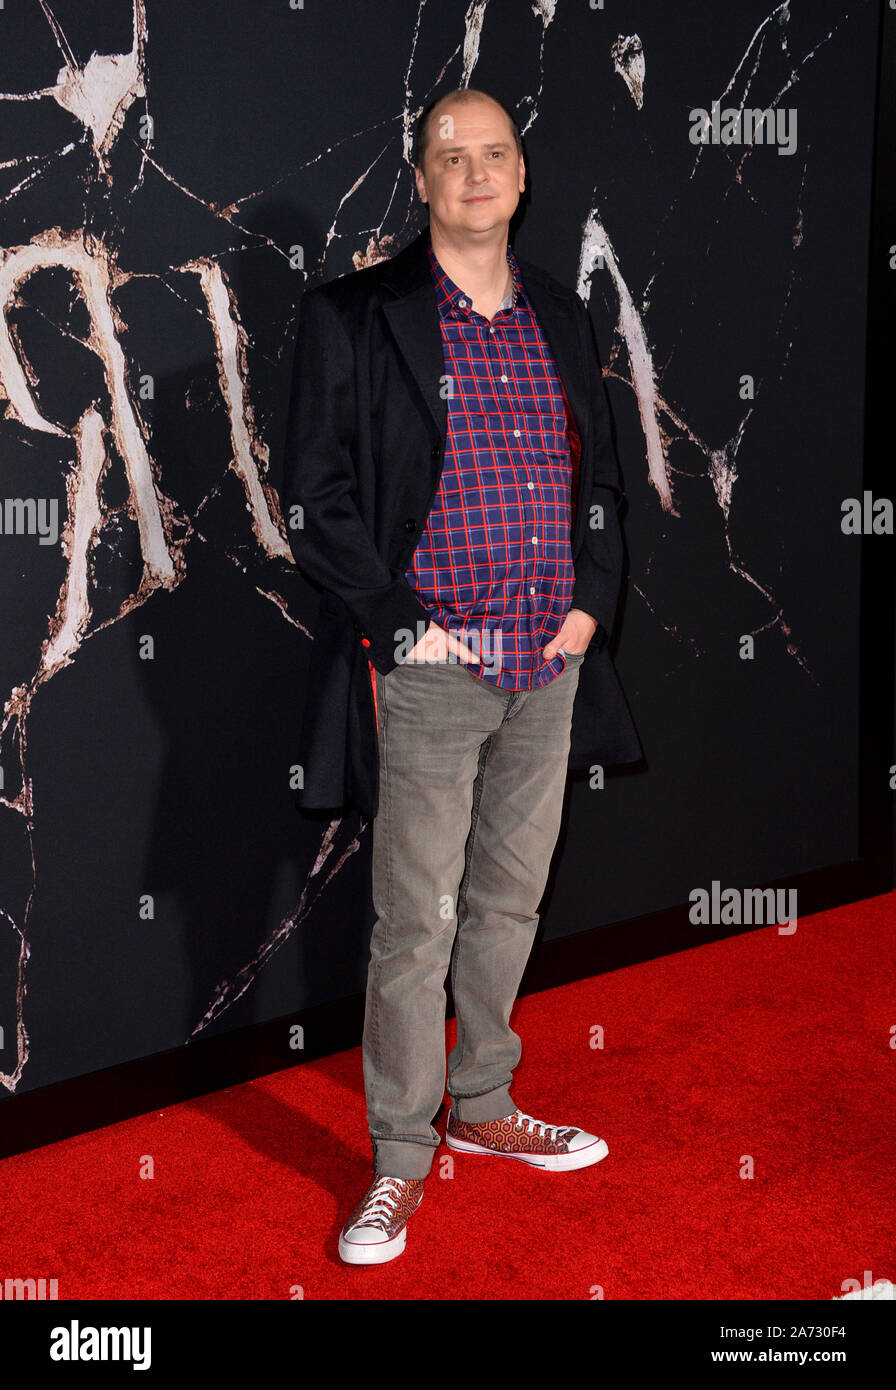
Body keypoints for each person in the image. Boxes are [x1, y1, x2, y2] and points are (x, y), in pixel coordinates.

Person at [281, 87, 642, 1266]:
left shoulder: (554, 310)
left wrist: (592, 602)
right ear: (422, 180)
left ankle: (482, 1106)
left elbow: (599, 476)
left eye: (495, 154)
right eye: (452, 156)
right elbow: (315, 501)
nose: (476, 172)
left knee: (507, 904)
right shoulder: (356, 316)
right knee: (411, 925)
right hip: (435, 673)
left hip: (549, 664)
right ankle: (397, 1158)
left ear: (520, 176)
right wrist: (400, 623)